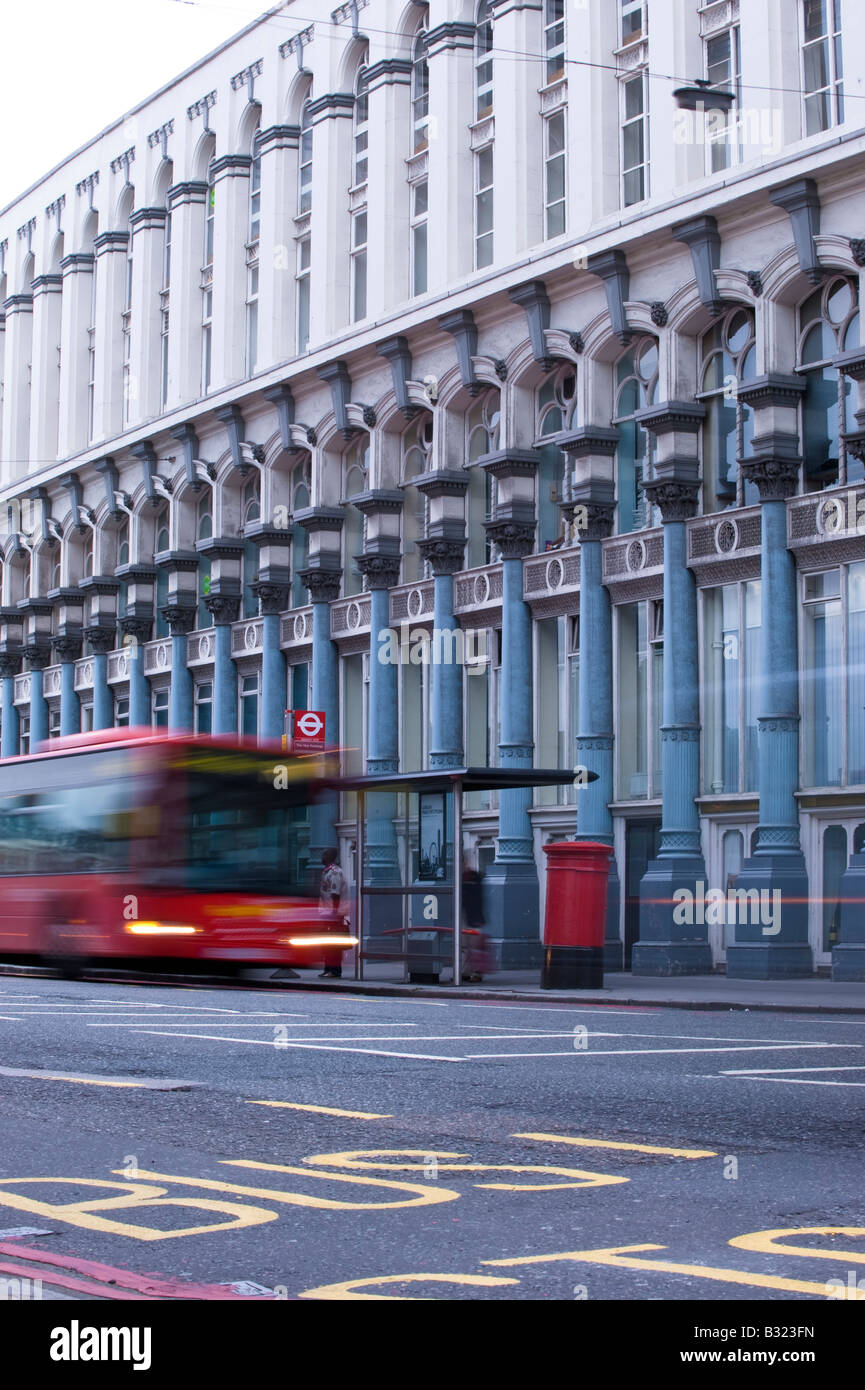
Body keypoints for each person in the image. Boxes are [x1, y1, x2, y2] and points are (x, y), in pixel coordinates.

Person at [318, 846, 348, 979]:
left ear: (331, 857)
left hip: (334, 914)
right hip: (327, 913)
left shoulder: (334, 872)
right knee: (327, 943)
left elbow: (335, 895)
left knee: (334, 945)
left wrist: (334, 915)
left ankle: (335, 971)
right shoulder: (326, 872)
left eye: (324, 855)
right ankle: (328, 968)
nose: (322, 857)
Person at [460, 862, 490, 983]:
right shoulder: (465, 878)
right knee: (464, 947)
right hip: (466, 917)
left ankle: (476, 973)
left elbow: (477, 900)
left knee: (475, 947)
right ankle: (466, 972)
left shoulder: (473, 878)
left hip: (474, 918)